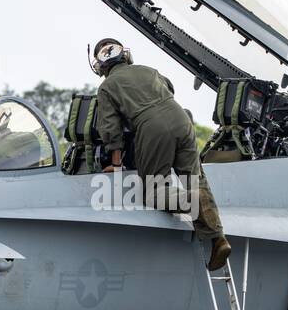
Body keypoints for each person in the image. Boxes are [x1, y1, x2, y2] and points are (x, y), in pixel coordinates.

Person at [90, 37, 232, 271]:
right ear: (125, 55)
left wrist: (116, 165)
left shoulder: (106, 87)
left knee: (153, 190)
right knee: (195, 179)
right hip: (181, 118)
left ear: (101, 66)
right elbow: (170, 88)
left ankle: (191, 200)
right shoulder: (148, 70)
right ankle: (219, 240)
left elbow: (110, 128)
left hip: (152, 127)